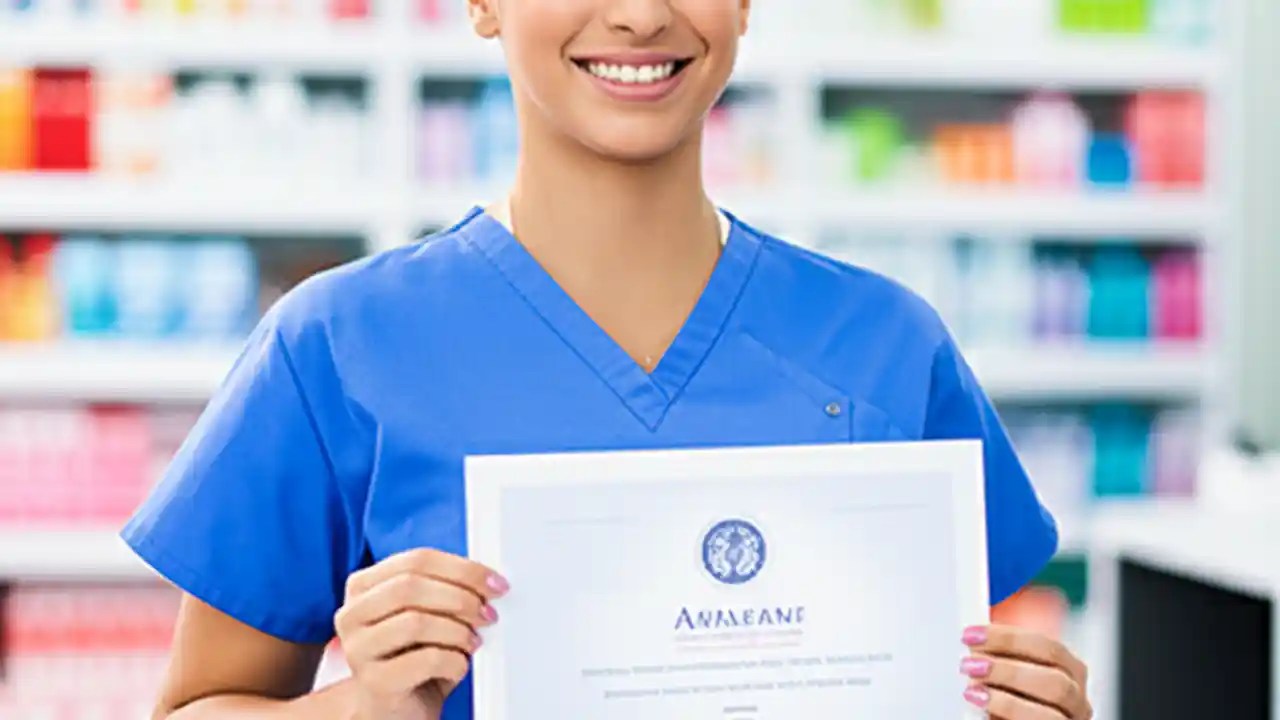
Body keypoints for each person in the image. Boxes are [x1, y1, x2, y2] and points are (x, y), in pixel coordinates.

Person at [122, 0, 1093, 718]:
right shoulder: (335, 344)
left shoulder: (887, 344)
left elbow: (970, 668)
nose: (637, 15)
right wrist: (359, 710)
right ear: (480, 6)